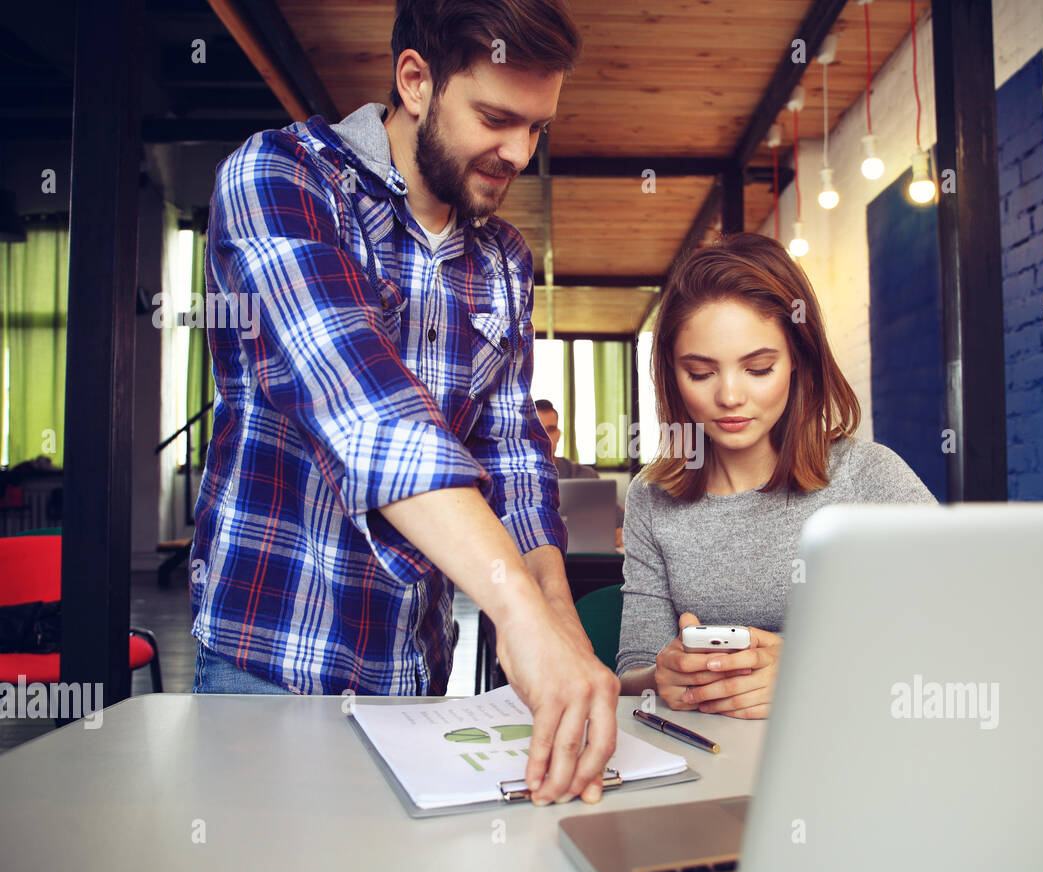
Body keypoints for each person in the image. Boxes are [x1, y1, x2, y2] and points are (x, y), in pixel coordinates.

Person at [189, 0, 618, 806]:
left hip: (417, 674)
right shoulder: (277, 179)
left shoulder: (504, 260)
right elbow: (370, 419)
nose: (520, 152)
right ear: (416, 81)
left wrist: (557, 621)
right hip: (267, 664)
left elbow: (515, 459)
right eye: (496, 117)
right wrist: (515, 611)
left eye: (538, 128)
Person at [616, 233, 936, 718]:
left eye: (758, 368)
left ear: (797, 363)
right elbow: (634, 669)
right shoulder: (652, 496)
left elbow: (954, 624)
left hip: (847, 752)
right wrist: (664, 673)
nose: (729, 396)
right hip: (709, 762)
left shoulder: (868, 477)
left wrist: (811, 668)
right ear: (671, 377)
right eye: (700, 373)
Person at [535, 398, 624, 547]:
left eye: (550, 430)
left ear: (558, 434)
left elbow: (617, 518)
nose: (544, 438)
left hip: (584, 559)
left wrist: (621, 530)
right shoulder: (516, 480)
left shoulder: (586, 476)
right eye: (537, 430)